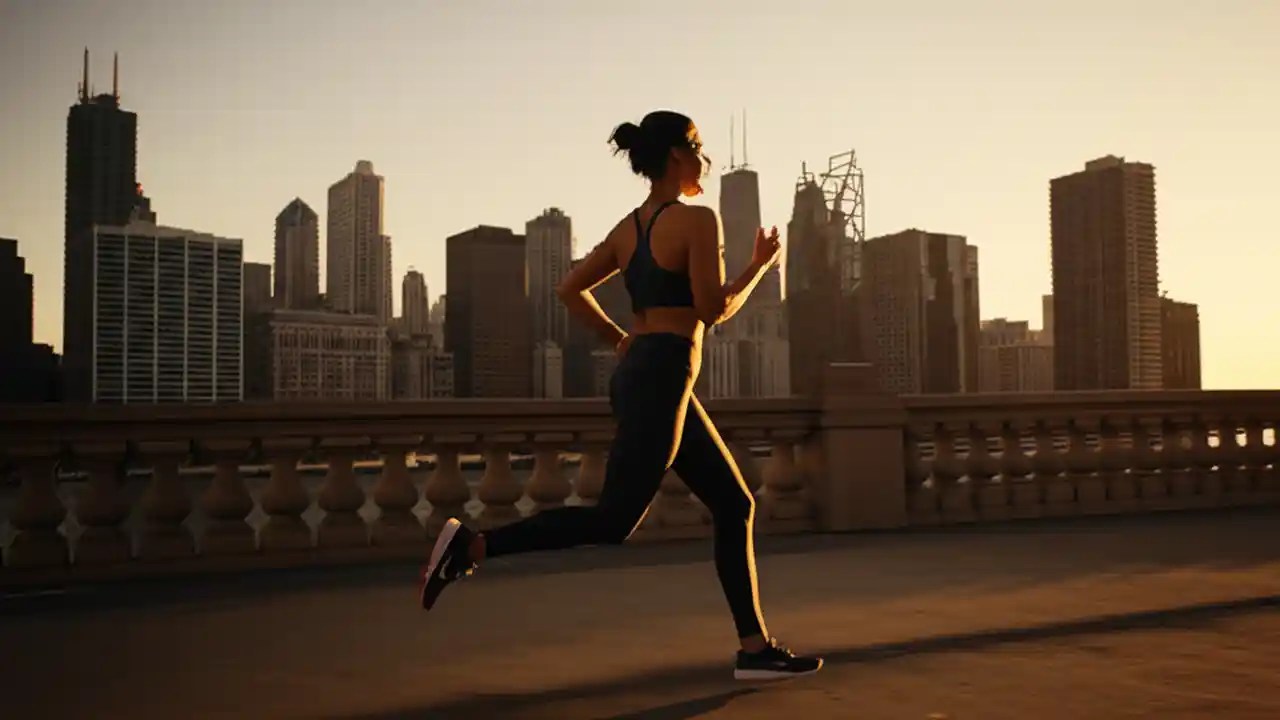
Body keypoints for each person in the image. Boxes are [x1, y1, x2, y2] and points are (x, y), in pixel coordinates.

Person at [418, 110, 823, 680]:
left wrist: (619, 339)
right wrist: (758, 267)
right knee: (613, 520)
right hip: (664, 375)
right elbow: (713, 309)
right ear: (678, 158)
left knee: (735, 503)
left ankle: (754, 650)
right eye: (700, 149)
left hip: (648, 375)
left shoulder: (626, 229)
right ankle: (471, 548)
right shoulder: (698, 222)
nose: (705, 161)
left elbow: (568, 289)